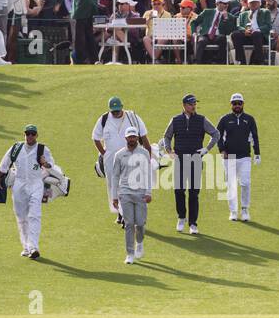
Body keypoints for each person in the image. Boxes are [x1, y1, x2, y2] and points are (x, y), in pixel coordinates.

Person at [161, 94, 219, 234]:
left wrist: (207, 149)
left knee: (194, 193)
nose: (194, 106)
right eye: (191, 104)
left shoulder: (201, 120)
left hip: (195, 160)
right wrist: (169, 151)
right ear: (184, 105)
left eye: (195, 104)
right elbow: (167, 136)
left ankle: (193, 224)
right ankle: (181, 218)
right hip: (180, 159)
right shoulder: (175, 120)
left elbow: (215, 133)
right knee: (179, 190)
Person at [0, 124, 54, 259]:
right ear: (24, 134)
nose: (30, 136)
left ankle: (34, 247)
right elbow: (4, 164)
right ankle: (26, 247)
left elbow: (51, 165)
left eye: (33, 134)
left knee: (34, 215)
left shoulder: (43, 149)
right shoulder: (16, 148)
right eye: (28, 134)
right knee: (21, 217)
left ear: (37, 135)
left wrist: (45, 164)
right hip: (19, 184)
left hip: (36, 184)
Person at [91, 95, 151, 226]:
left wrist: (148, 157)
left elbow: (144, 137)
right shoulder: (104, 119)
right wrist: (104, 153)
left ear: (122, 108)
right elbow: (95, 138)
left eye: (118, 111)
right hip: (111, 160)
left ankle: (127, 217)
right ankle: (121, 214)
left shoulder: (132, 117)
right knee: (115, 188)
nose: (116, 113)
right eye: (113, 111)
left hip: (131, 159)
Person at [110, 126, 152, 264]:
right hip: (125, 193)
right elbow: (115, 176)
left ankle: (139, 243)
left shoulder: (144, 153)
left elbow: (148, 173)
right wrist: (114, 196)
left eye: (134, 137)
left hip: (140, 193)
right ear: (126, 138)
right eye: (130, 137)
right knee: (129, 224)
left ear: (137, 138)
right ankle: (130, 253)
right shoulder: (120, 155)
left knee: (140, 224)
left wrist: (148, 192)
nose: (132, 139)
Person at [216, 93, 261, 221]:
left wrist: (257, 153)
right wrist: (222, 150)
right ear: (231, 105)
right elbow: (218, 136)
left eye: (239, 103)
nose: (237, 106)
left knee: (245, 183)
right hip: (229, 157)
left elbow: (255, 136)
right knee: (231, 185)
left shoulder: (249, 119)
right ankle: (233, 211)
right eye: (234, 103)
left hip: (245, 157)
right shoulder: (224, 119)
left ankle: (245, 209)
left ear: (243, 104)